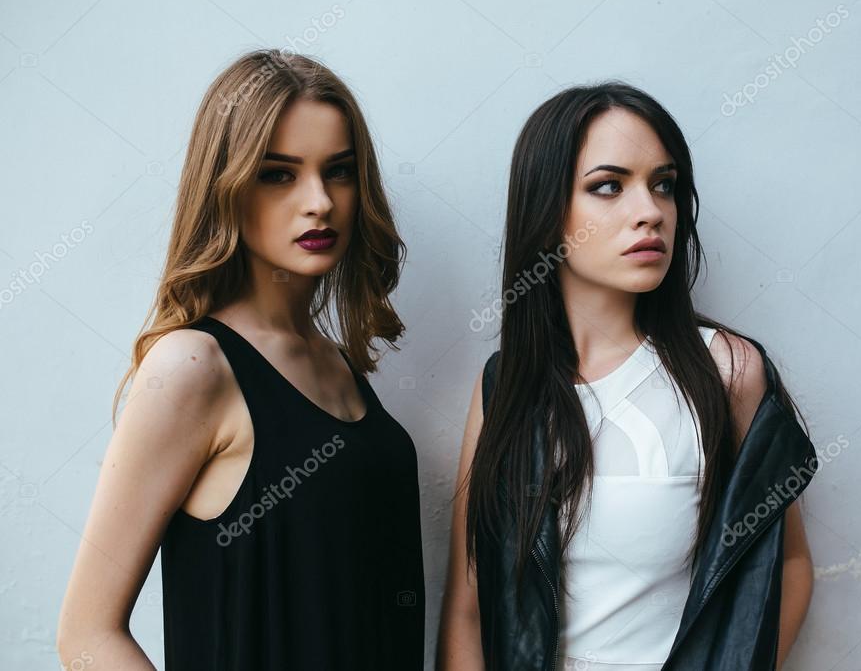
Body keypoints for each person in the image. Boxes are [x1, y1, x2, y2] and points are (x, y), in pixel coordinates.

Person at [57, 49, 425, 670]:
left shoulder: (339, 367)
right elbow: (87, 636)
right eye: (277, 174)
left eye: (338, 171)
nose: (320, 202)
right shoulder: (192, 367)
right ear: (225, 185)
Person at [438, 82, 816, 670]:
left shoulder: (727, 372)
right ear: (548, 213)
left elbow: (785, 565)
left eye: (663, 185)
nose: (651, 212)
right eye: (608, 186)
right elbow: (468, 605)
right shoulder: (503, 388)